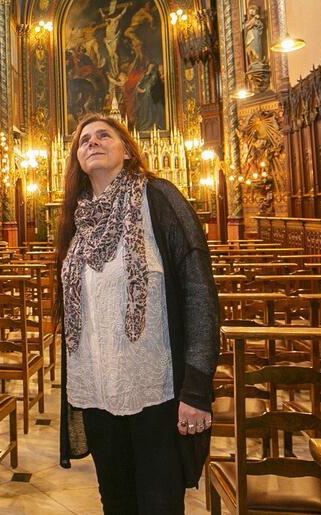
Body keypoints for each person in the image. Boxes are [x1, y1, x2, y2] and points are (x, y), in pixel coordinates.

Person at [56, 113, 218, 514]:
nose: (91, 143)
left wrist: (196, 388)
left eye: (103, 136)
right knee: (116, 500)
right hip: (96, 389)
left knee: (159, 502)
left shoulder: (158, 198)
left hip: (155, 389)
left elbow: (198, 291)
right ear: (76, 158)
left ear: (126, 150)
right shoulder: (77, 219)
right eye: (83, 140)